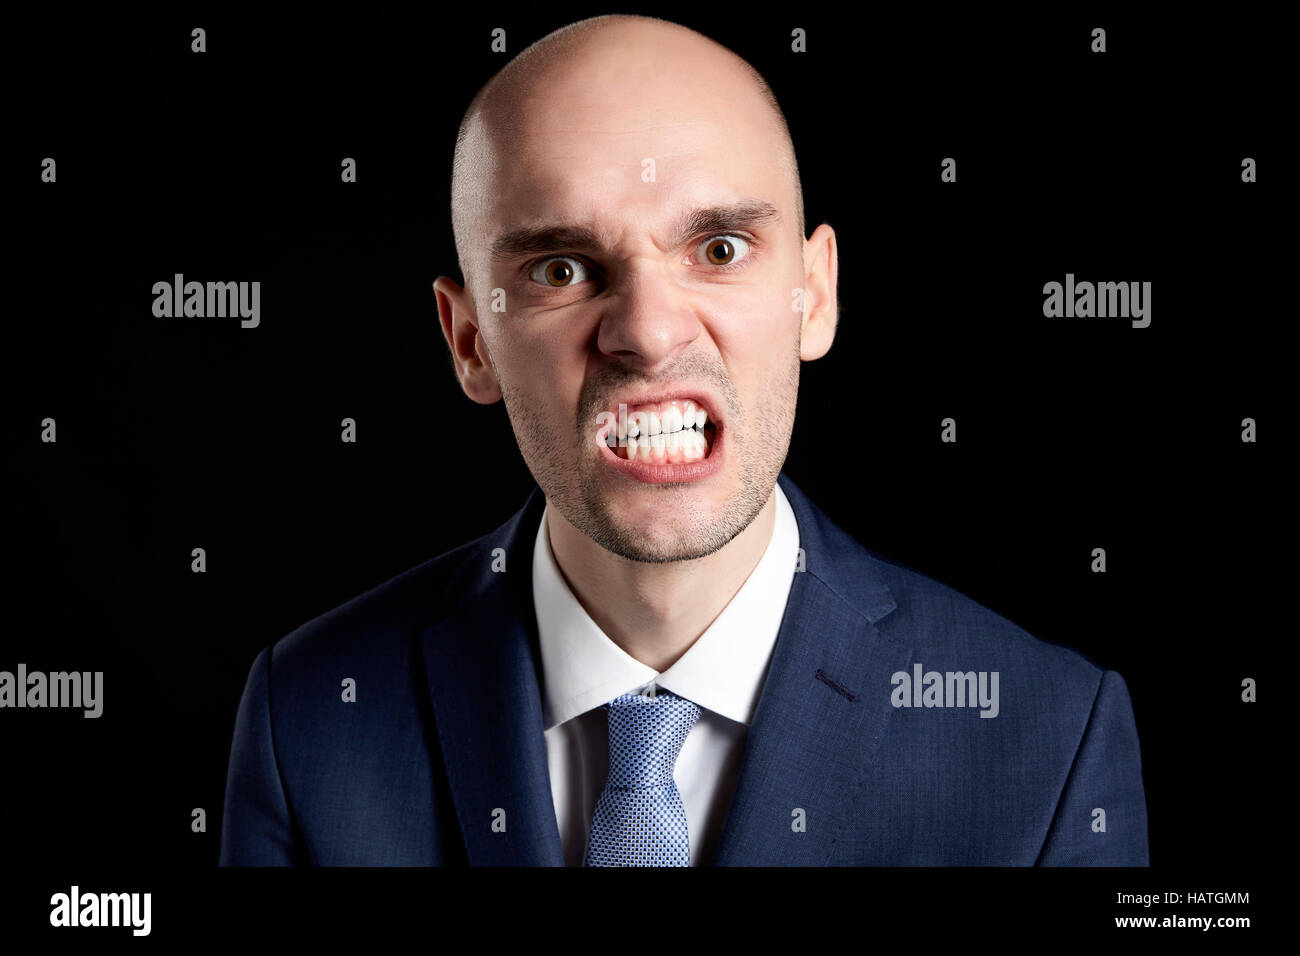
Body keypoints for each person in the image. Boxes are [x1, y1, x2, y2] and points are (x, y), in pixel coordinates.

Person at [219, 14, 1148, 866]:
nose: (651, 332)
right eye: (562, 267)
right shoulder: (305, 721)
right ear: (471, 342)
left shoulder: (1045, 738)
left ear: (815, 295)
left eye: (718, 250)